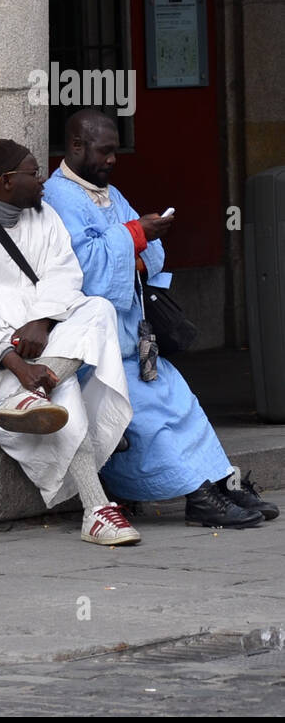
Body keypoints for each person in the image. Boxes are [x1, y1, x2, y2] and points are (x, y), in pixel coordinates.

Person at [42, 109, 276, 527]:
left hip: (133, 336)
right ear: (77, 146)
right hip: (98, 348)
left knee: (181, 401)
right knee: (151, 414)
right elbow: (82, 267)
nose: (113, 160)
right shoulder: (57, 197)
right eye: (105, 151)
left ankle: (221, 483)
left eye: (115, 151)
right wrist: (134, 236)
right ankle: (198, 496)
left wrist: (140, 242)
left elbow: (151, 256)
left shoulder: (109, 193)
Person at [0, 133, 141, 546]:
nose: (44, 182)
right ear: (5, 181)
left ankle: (39, 388)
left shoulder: (44, 217)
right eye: (35, 174)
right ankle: (97, 510)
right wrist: (17, 366)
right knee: (65, 401)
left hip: (42, 346)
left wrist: (43, 322)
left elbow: (64, 275)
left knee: (99, 309)